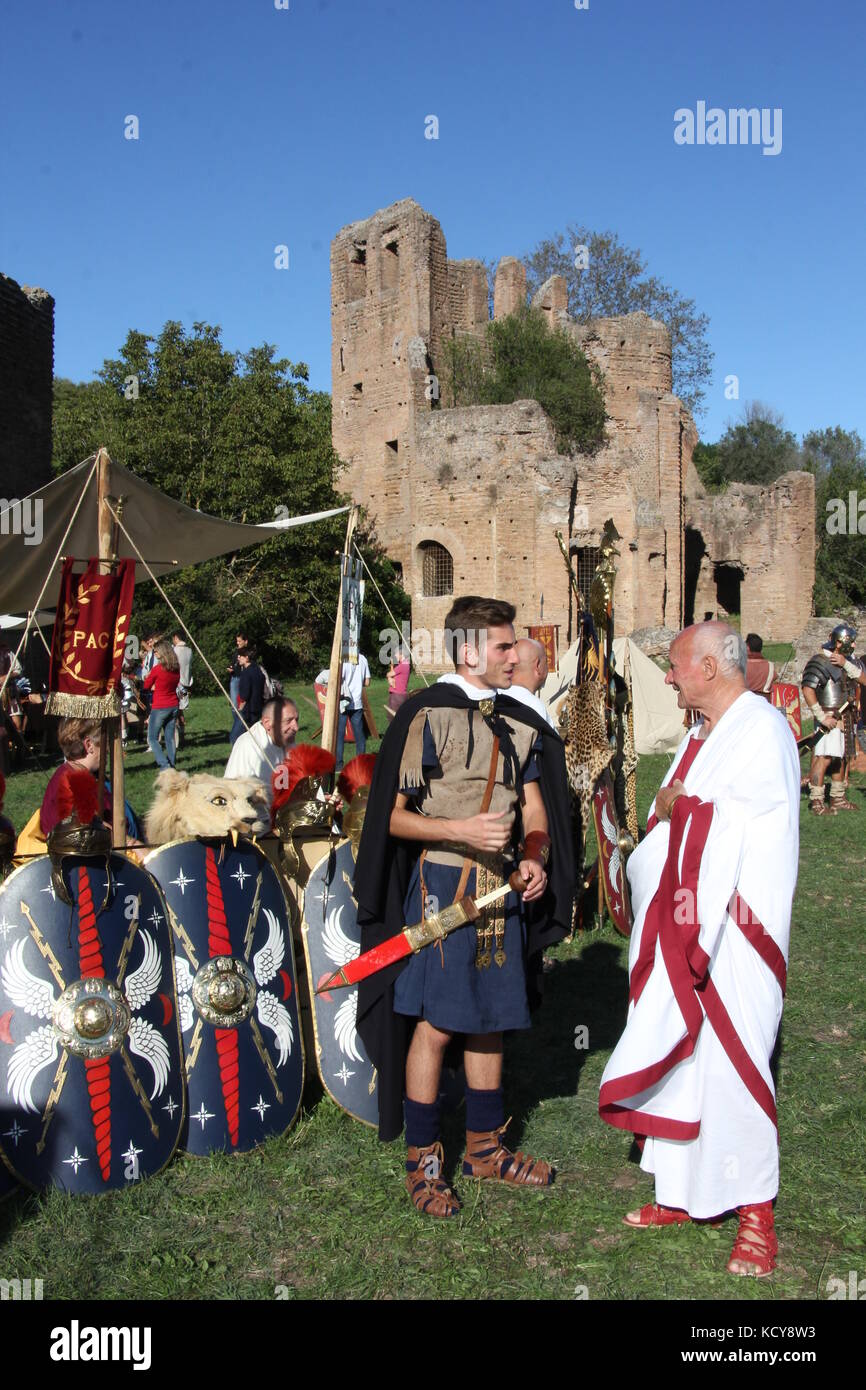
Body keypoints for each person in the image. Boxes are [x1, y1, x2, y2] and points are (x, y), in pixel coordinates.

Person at [353, 596, 573, 1218]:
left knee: (491, 1017)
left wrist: (535, 855)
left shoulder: (517, 720)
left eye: (513, 646)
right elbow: (389, 818)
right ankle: (424, 1158)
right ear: (469, 652)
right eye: (503, 647)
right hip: (443, 892)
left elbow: (534, 806)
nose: (516, 655)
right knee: (440, 1022)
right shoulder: (426, 715)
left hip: (500, 892)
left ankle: (484, 1148)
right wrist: (461, 834)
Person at [599, 622, 799, 1278]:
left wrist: (683, 810)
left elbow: (739, 824)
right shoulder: (698, 735)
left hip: (737, 926)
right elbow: (675, 814)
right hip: (685, 920)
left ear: (711, 667)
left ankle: (756, 1215)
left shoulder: (762, 732)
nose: (668, 677)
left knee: (737, 1062)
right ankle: (684, 1194)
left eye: (677, 666)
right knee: (685, 1057)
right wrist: (667, 806)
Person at [36, 718, 140, 842]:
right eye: (105, 743)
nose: (107, 749)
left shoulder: (83, 774)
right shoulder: (73, 781)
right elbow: (93, 830)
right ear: (89, 745)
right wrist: (132, 844)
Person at [801, 623, 866, 815]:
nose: (853, 646)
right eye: (850, 642)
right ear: (838, 642)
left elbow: (863, 680)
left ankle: (837, 797)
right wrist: (821, 716)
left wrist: (845, 663)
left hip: (847, 717)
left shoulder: (850, 663)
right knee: (824, 758)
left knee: (841, 758)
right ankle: (817, 801)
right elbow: (807, 689)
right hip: (830, 715)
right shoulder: (821, 661)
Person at [224, 698, 299, 800]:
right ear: (268, 723)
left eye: (296, 720)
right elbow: (235, 794)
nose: (296, 727)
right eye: (288, 721)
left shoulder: (287, 741)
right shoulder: (248, 746)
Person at [143, 638, 181, 770]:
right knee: (170, 738)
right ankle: (172, 764)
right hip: (173, 704)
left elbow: (146, 685)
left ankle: (164, 766)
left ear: (162, 652)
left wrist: (148, 679)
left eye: (156, 651)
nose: (154, 654)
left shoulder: (157, 669)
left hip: (160, 705)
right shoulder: (176, 668)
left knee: (153, 738)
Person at [508, 637, 556, 729]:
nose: (548, 668)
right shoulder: (535, 708)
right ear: (538, 666)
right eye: (546, 662)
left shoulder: (495, 697)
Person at [335, 652, 371, 769]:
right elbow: (367, 682)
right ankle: (361, 764)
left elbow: (338, 679)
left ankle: (339, 765)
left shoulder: (343, 658)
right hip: (357, 702)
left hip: (343, 702)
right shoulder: (363, 658)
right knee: (359, 735)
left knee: (339, 735)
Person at [232, 647, 266, 746]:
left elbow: (244, 695)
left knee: (235, 737)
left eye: (240, 656)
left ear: (246, 658)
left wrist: (240, 709)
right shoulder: (258, 670)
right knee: (253, 736)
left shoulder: (246, 673)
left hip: (248, 710)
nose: (238, 658)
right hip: (258, 708)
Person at [171, 631, 194, 750]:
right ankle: (182, 735)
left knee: (175, 712)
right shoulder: (189, 651)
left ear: (176, 638)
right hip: (185, 684)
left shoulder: (174, 651)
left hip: (176, 684)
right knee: (181, 711)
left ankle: (177, 741)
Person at [744, 633, 774, 699]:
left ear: (748, 648)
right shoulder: (770, 665)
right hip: (764, 703)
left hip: (746, 703)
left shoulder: (742, 665)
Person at [386, 644, 411, 716]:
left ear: (401, 654)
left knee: (393, 717)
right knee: (393, 716)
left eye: (396, 653)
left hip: (397, 695)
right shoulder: (403, 664)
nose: (395, 655)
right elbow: (391, 675)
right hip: (397, 694)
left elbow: (389, 674)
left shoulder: (403, 665)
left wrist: (389, 676)